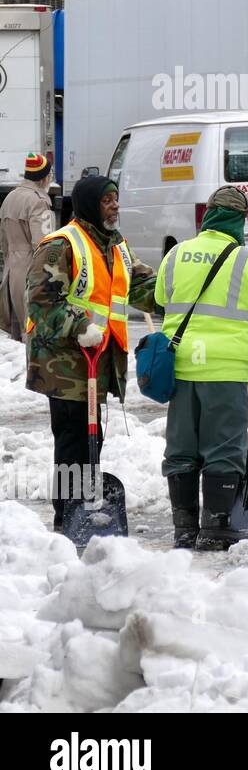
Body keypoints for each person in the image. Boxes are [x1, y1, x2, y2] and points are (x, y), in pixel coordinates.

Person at [155, 187, 248, 550]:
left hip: (181, 370)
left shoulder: (175, 255)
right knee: (224, 448)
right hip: (227, 373)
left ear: (207, 216)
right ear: (241, 220)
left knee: (181, 449)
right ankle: (217, 526)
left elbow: (159, 301)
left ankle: (183, 528)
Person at [25, 175, 159, 530]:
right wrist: (79, 325)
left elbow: (140, 286)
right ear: (88, 205)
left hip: (98, 361)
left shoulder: (116, 245)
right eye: (107, 200)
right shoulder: (61, 245)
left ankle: (84, 505)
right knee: (73, 440)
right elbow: (40, 302)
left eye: (116, 198)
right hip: (64, 364)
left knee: (92, 437)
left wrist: (175, 288)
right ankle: (67, 519)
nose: (115, 205)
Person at [0, 153, 57, 341]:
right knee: (34, 335)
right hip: (32, 274)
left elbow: (4, 242)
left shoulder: (10, 198)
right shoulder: (39, 201)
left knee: (17, 334)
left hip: (11, 273)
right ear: (44, 177)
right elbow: (43, 243)